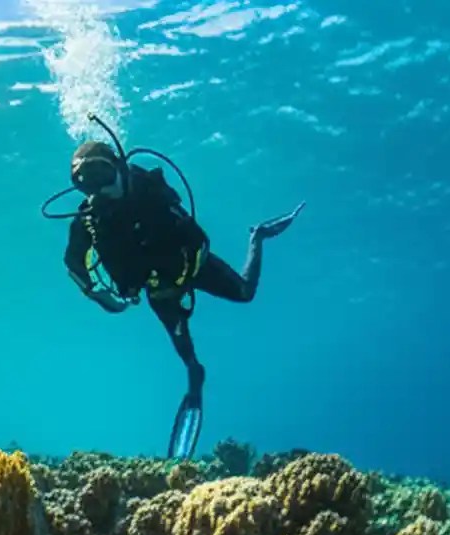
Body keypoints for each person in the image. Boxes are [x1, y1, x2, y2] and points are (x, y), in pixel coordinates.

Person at [58, 137, 305, 459]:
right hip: (158, 290)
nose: (97, 191)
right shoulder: (89, 221)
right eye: (84, 183)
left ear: (118, 167)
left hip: (193, 269)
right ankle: (194, 380)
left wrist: (180, 274)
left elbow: (195, 237)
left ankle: (257, 236)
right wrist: (103, 298)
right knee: (188, 358)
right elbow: (73, 264)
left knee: (245, 293)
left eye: (101, 177)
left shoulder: (148, 190)